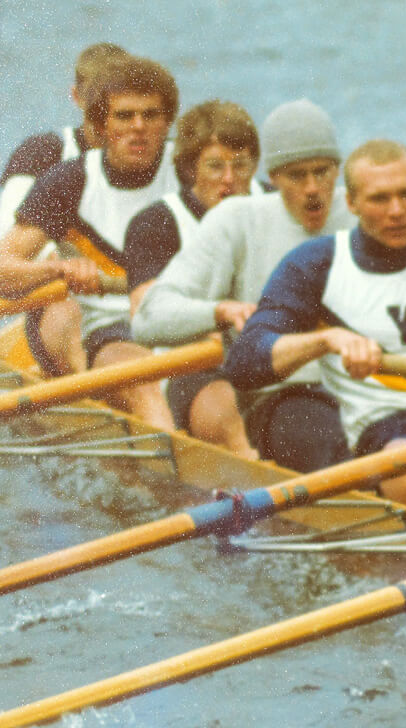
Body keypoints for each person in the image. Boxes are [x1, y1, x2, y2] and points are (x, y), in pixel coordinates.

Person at [224, 140, 406, 519]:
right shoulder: (317, 265)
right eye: (379, 199)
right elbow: (245, 363)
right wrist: (326, 340)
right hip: (388, 437)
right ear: (352, 204)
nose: (397, 211)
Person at [131, 98, 354, 473]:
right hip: (273, 392)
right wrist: (218, 311)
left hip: (357, 387)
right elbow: (147, 319)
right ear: (276, 177)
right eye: (298, 176)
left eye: (323, 171)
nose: (314, 188)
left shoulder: (365, 210)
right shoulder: (234, 220)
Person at [0, 54, 180, 429]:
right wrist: (57, 268)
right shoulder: (67, 181)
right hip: (102, 324)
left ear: (168, 121)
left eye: (151, 115)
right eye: (124, 116)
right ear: (100, 123)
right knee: (144, 380)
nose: (139, 127)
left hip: (181, 318)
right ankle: (101, 405)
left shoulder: (191, 169)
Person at [122, 100, 263, 458]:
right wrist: (213, 317)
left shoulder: (274, 203)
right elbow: (146, 312)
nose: (229, 180)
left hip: (272, 359)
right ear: (190, 168)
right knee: (229, 419)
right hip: (191, 364)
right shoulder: (156, 224)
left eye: (241, 165)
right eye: (215, 166)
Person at [0, 43, 130, 380]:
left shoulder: (159, 160)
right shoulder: (45, 154)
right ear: (76, 97)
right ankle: (94, 396)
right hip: (63, 304)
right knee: (65, 310)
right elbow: (6, 247)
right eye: (97, 106)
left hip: (129, 303)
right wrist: (61, 267)